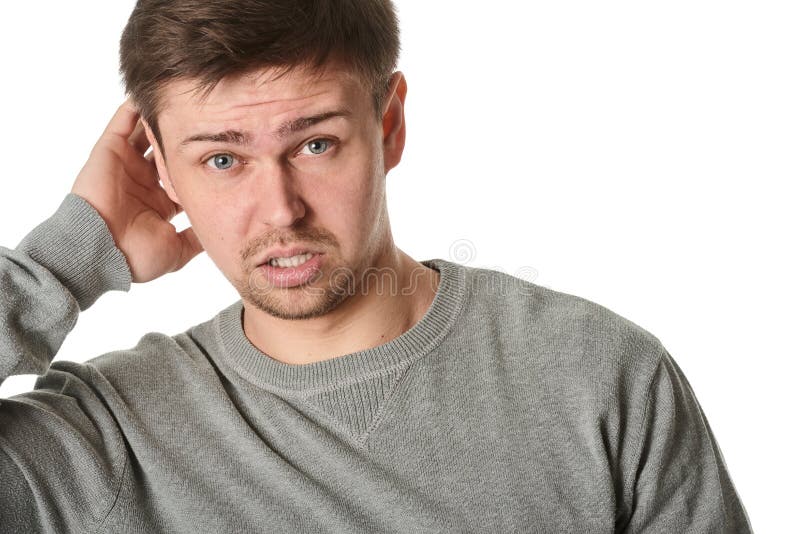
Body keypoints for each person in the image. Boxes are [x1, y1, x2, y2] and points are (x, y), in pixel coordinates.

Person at [0, 0, 753, 532]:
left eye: (315, 144)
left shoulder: (598, 374)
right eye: (223, 159)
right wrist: (62, 263)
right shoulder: (99, 442)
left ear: (388, 124)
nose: (280, 210)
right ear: (161, 168)